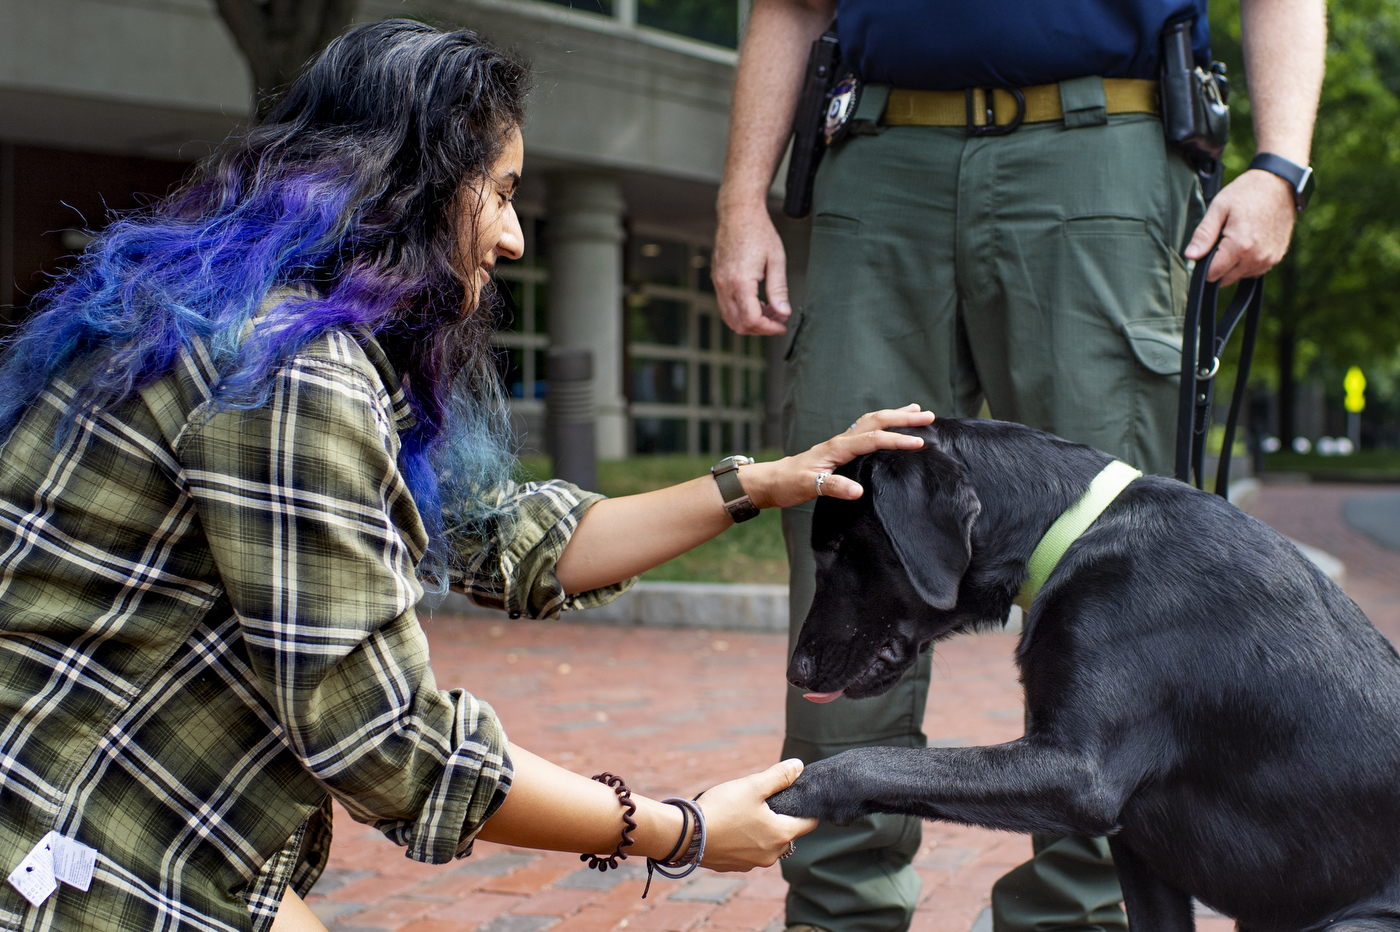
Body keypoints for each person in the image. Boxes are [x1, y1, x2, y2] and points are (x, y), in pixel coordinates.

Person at [0, 21, 937, 932]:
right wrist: (680, 831)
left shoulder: (255, 328)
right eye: (499, 191)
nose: (517, 237)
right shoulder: (291, 372)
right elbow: (384, 740)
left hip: (115, 798)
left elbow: (512, 539)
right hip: (56, 825)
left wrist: (761, 484)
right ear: (409, 188)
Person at [712, 3, 1324, 932]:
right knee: (841, 521)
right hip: (875, 154)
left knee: (1120, 567)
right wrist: (739, 196)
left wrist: (1282, 164)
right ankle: (839, 912)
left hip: (1103, 147)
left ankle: (1072, 918)